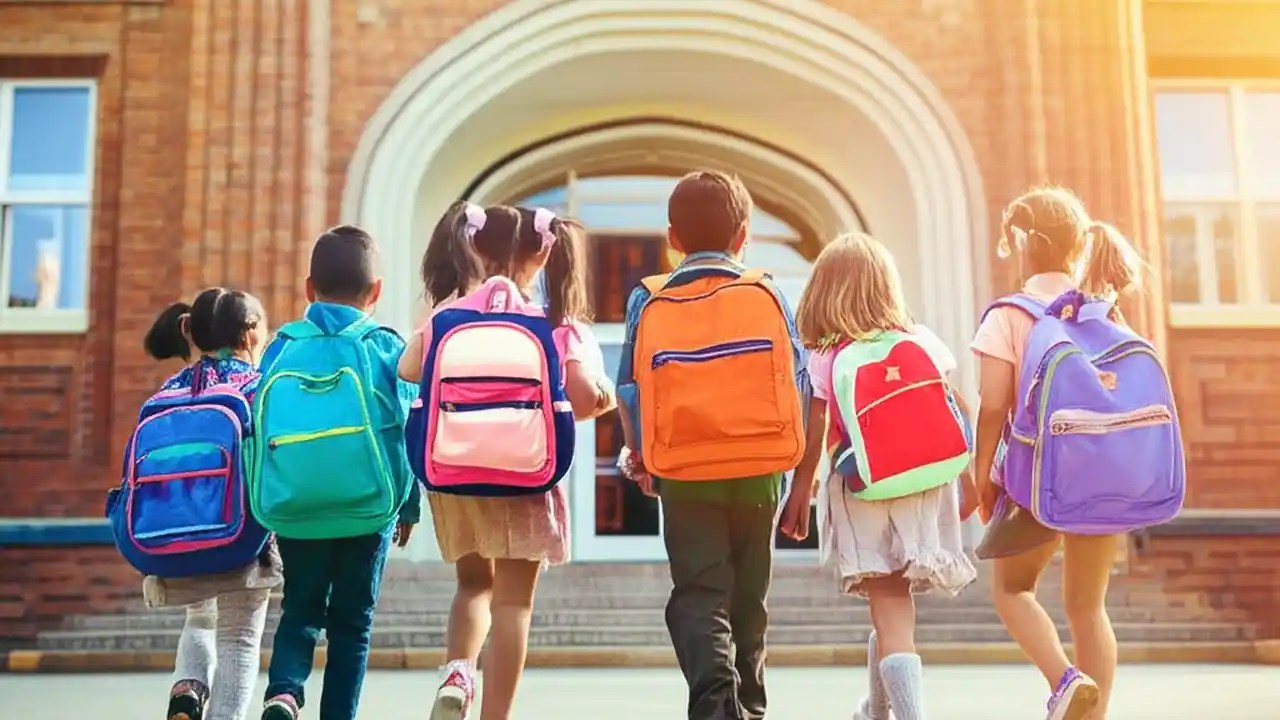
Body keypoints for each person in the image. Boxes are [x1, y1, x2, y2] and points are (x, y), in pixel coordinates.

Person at [400, 203, 615, 720]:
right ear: (546, 253)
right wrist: (607, 394)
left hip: (456, 472)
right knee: (514, 602)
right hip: (527, 477)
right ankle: (495, 715)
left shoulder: (447, 318)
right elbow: (585, 400)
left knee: (473, 585)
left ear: (472, 246)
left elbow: (408, 368)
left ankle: (457, 672)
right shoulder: (558, 326)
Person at [616, 171, 808, 720]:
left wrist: (642, 456)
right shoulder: (766, 289)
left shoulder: (648, 297)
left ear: (672, 237)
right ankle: (748, 704)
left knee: (700, 591)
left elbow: (628, 386)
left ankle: (715, 700)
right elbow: (797, 379)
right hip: (759, 468)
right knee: (750, 594)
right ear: (743, 235)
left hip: (684, 468)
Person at [779, 232, 978, 720]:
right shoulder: (921, 340)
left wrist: (799, 491)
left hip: (863, 485)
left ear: (823, 291)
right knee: (893, 607)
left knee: (887, 600)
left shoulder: (827, 354)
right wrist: (969, 481)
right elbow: (957, 409)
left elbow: (817, 423)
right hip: (925, 484)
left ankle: (907, 715)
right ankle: (877, 710)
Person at [970, 187, 1145, 720]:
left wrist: (982, 477)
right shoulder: (1105, 314)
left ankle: (1064, 679)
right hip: (1102, 472)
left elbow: (994, 404)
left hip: (1034, 478)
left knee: (1012, 589)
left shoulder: (1008, 316)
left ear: (1023, 243)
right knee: (1088, 607)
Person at [258, 226, 422, 720]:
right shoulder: (384, 347)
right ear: (376, 292)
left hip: (296, 506)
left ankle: (284, 691)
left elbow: (256, 425)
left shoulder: (281, 346)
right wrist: (408, 506)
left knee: (300, 609)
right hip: (366, 507)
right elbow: (407, 429)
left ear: (309, 288)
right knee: (353, 623)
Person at [138, 288, 281, 720]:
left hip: (177, 533)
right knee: (238, 638)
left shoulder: (170, 389)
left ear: (191, 334)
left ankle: (186, 690)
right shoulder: (258, 388)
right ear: (252, 333)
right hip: (241, 538)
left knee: (199, 620)